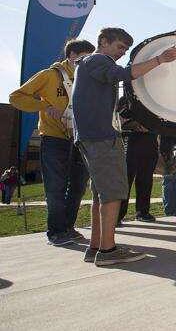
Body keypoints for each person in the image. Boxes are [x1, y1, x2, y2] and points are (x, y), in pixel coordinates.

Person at [72, 27, 176, 265]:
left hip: (91, 136)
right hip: (101, 137)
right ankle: (108, 251)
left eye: (125, 49)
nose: (122, 52)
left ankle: (96, 246)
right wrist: (160, 59)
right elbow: (124, 74)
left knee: (102, 194)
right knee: (112, 193)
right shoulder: (98, 60)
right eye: (120, 46)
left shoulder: (87, 65)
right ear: (103, 41)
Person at [9, 39, 94, 246]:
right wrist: (44, 106)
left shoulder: (86, 78)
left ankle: (68, 227)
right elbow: (16, 97)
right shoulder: (49, 75)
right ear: (72, 55)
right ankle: (55, 232)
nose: (88, 62)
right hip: (54, 138)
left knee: (78, 186)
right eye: (85, 57)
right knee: (56, 187)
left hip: (79, 139)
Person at [118, 117, 158, 223]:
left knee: (146, 180)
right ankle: (118, 215)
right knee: (126, 179)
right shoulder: (129, 106)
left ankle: (143, 212)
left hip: (150, 141)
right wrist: (136, 125)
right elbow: (120, 121)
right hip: (131, 141)